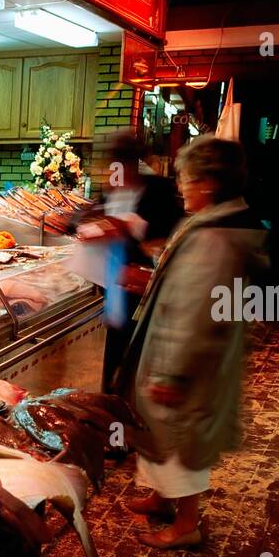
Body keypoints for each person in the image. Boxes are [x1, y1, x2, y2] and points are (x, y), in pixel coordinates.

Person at [116, 135, 268, 550]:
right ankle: (163, 497)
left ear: (210, 183)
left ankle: (186, 524)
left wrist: (173, 375)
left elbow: (197, 314)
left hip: (185, 360)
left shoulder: (214, 239)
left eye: (187, 179)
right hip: (188, 355)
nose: (181, 186)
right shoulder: (215, 221)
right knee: (161, 430)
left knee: (181, 437)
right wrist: (156, 272)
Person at [75, 131, 181, 391]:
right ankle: (112, 395)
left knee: (140, 356)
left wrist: (130, 229)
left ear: (136, 162)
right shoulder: (112, 190)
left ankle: (133, 398)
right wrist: (89, 227)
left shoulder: (159, 189)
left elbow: (171, 235)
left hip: (143, 285)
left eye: (124, 164)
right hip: (112, 285)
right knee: (112, 353)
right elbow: (87, 217)